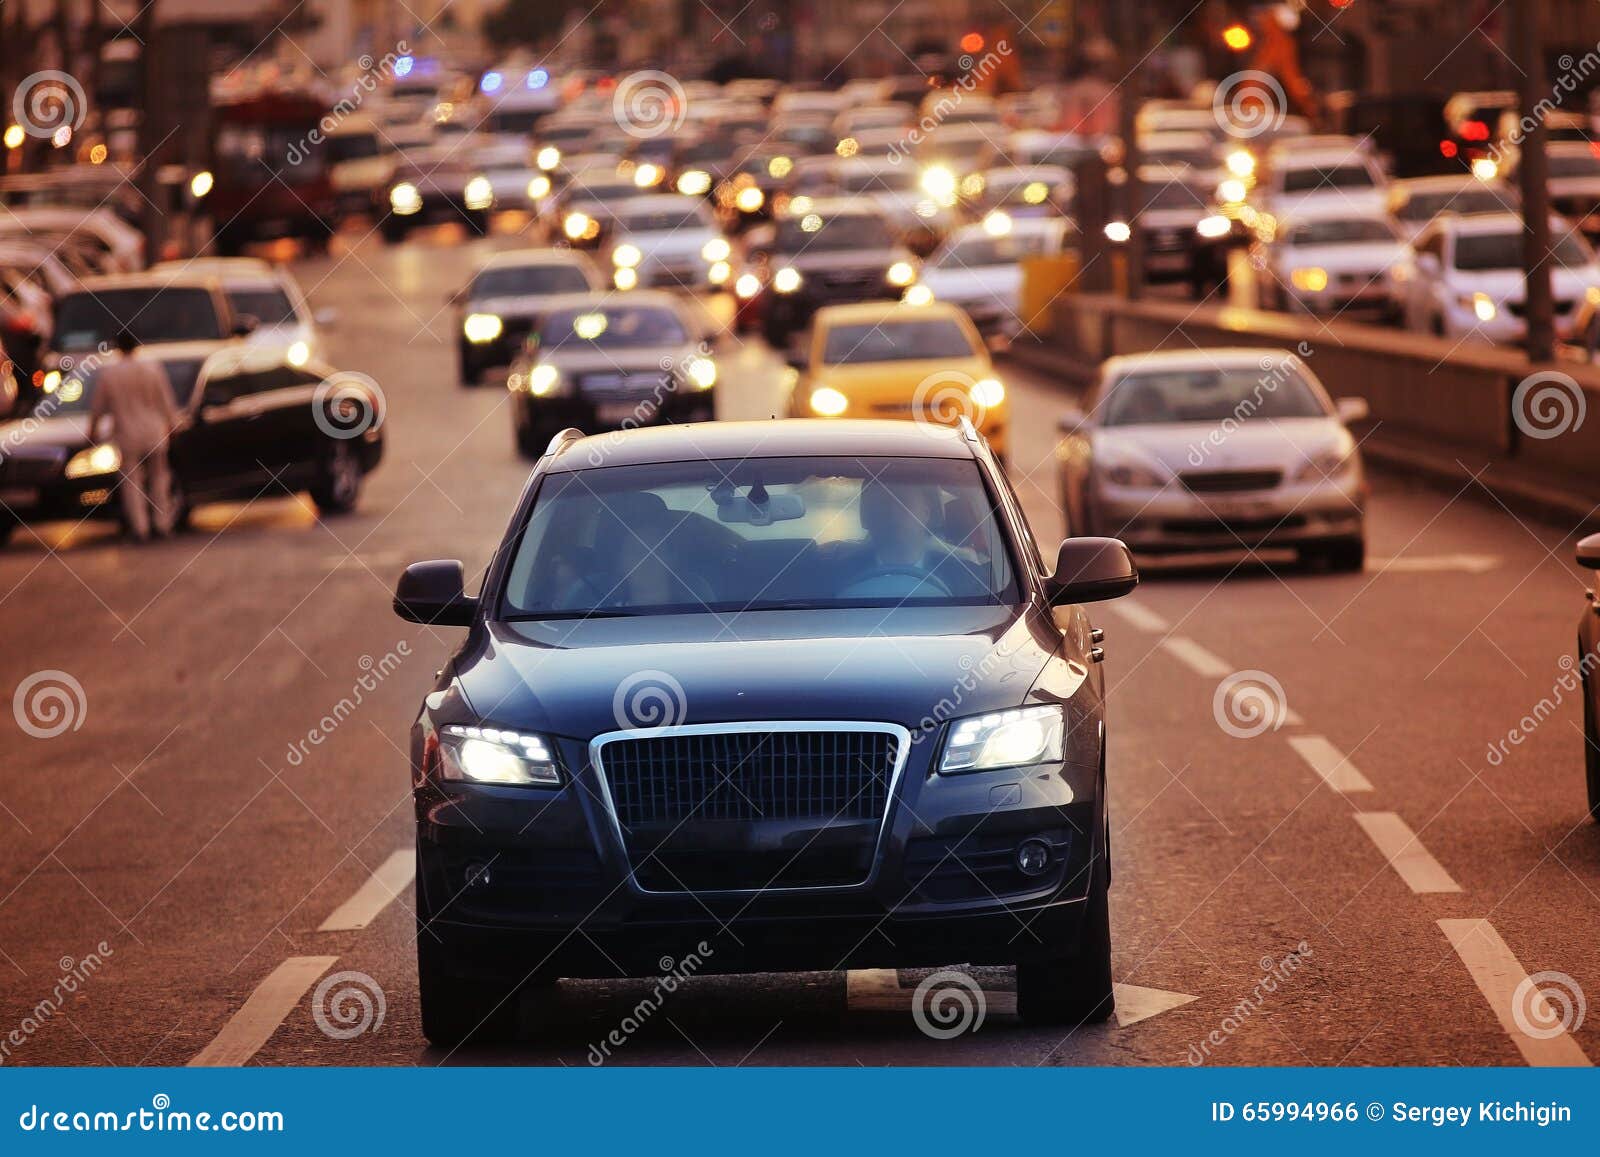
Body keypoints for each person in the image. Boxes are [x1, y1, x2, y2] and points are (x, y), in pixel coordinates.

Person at [89, 329, 180, 541]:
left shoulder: (110, 374)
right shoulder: (152, 368)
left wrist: (92, 429)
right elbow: (166, 400)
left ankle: (140, 528)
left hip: (127, 434)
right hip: (154, 431)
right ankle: (162, 523)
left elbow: (98, 406)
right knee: (159, 479)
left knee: (132, 483)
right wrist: (172, 424)